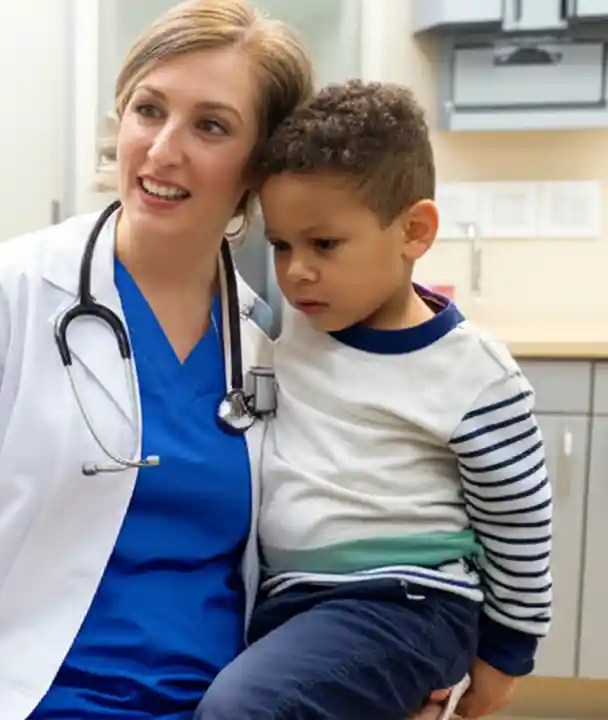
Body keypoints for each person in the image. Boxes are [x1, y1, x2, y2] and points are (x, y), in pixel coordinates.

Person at [0, 2, 464, 718]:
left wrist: (395, 682)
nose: (162, 150)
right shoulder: (10, 291)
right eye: (148, 110)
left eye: (211, 126)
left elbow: (352, 546)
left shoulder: (269, 340)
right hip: (25, 697)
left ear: (259, 164)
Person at [192, 80, 552, 720]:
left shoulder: (473, 374)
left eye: (325, 244)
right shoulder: (296, 331)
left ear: (414, 231)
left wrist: (505, 659)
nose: (296, 271)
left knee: (240, 710)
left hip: (407, 603)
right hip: (294, 602)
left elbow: (520, 525)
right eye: (282, 246)